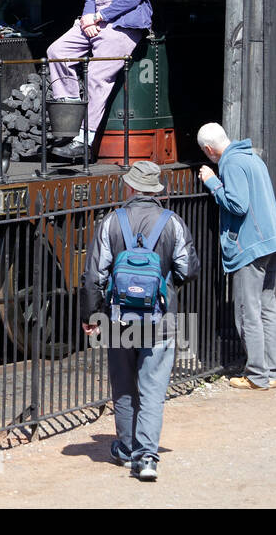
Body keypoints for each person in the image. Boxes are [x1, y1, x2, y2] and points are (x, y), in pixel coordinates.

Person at [81, 160, 200, 481]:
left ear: (131, 187)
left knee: (123, 385)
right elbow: (189, 269)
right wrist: (164, 285)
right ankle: (147, 458)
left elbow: (94, 275)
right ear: (156, 191)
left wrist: (91, 317)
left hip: (119, 321)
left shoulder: (111, 223)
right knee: (152, 389)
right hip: (160, 322)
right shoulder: (172, 223)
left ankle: (124, 447)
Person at [46, 0, 155, 163]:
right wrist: (87, 18)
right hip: (96, 21)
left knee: (96, 74)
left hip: (122, 25)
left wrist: (99, 16)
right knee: (57, 50)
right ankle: (70, 115)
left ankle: (85, 140)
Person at [196, 122, 276, 389]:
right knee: (267, 307)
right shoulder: (251, 157)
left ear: (209, 149)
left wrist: (212, 182)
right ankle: (270, 371)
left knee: (248, 310)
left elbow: (237, 204)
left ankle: (257, 376)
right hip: (271, 241)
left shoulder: (231, 163)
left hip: (251, 246)